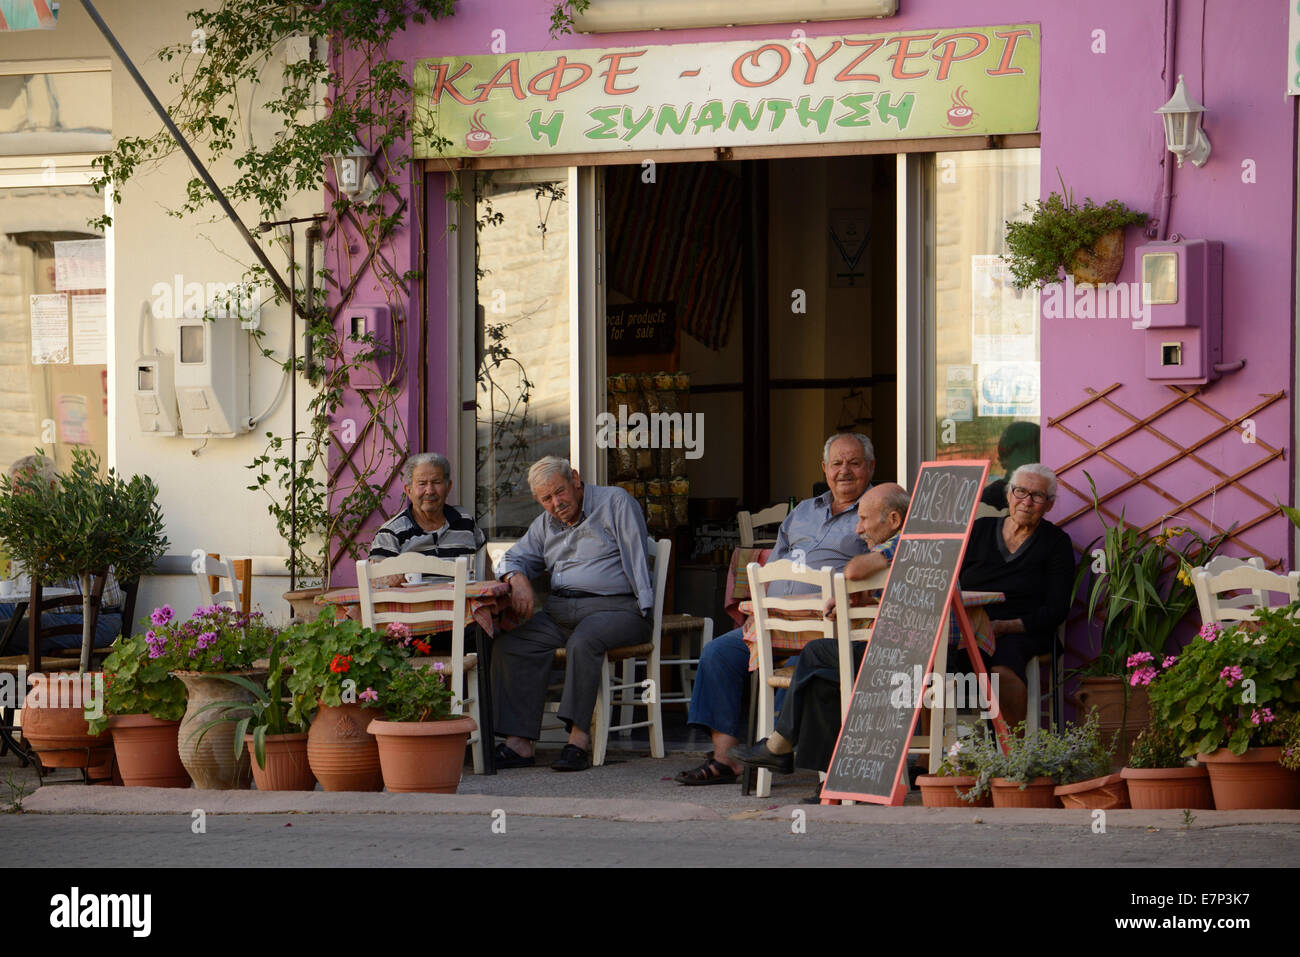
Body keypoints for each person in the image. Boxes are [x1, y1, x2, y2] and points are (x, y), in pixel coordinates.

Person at [674, 432, 875, 786]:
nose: (844, 471)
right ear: (824, 468)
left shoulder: (875, 512)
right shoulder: (803, 511)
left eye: (854, 463)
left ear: (870, 467)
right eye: (837, 463)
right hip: (775, 621)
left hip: (827, 626)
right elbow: (775, 563)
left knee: (804, 659)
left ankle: (778, 748)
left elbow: (885, 561)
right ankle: (726, 760)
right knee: (718, 653)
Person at [729, 484, 908, 795]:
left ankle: (779, 746)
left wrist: (852, 584)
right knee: (822, 677)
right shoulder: (907, 547)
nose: (858, 528)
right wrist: (867, 594)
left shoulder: (908, 543)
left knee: (815, 653)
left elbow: (856, 568)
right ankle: (832, 782)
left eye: (864, 519)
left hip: (906, 656)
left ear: (893, 519)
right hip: (898, 649)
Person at [491, 456, 653, 772]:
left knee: (584, 640)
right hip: (560, 612)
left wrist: (644, 610)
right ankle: (519, 743)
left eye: (560, 492)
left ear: (575, 480)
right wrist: (516, 578)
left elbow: (636, 555)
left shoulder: (614, 502)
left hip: (616, 608)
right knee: (511, 645)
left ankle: (578, 739)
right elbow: (511, 558)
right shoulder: (544, 524)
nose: (556, 503)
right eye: (546, 499)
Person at [958, 463, 1074, 727]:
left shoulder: (1056, 543)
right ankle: (933, 746)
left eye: (1037, 495)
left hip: (1023, 629)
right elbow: (951, 581)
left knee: (1002, 668)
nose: (1027, 501)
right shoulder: (979, 530)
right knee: (931, 663)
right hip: (969, 625)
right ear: (1008, 494)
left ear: (1049, 505)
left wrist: (1004, 626)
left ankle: (1011, 748)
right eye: (1020, 491)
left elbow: (1057, 608)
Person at [0, 454, 124, 653]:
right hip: (48, 613)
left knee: (5, 632)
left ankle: (21, 673)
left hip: (95, 620)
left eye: (26, 488)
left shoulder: (71, 522)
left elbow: (43, 578)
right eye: (16, 490)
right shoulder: (33, 528)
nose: (19, 496)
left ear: (50, 487)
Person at [368, 452, 484, 584]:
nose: (430, 491)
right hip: (415, 598)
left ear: (448, 487)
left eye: (437, 482)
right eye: (422, 484)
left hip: (464, 597)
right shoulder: (391, 532)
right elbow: (374, 579)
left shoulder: (466, 522)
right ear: (409, 490)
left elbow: (485, 566)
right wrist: (388, 579)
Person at [980, 422, 1040, 511]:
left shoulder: (1044, 489)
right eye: (1024, 451)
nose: (1036, 459)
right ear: (1005, 460)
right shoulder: (991, 496)